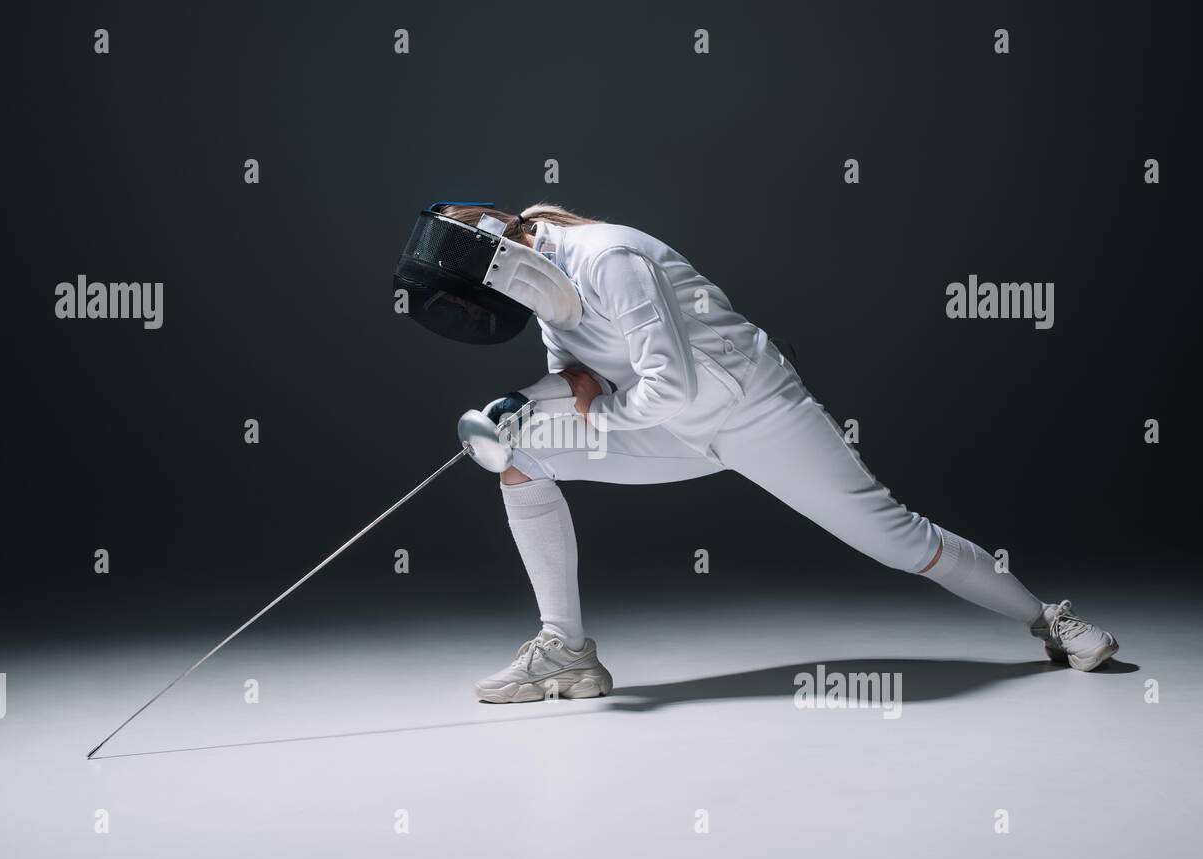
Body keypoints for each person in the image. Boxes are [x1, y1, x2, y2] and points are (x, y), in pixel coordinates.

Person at [435, 204, 1119, 704]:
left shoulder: (608, 258)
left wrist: (595, 411)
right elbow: (584, 378)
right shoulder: (552, 289)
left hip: (757, 412)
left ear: (508, 258)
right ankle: (568, 653)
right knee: (521, 454)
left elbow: (667, 383)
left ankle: (1048, 619)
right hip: (672, 428)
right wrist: (522, 403)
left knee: (899, 540)